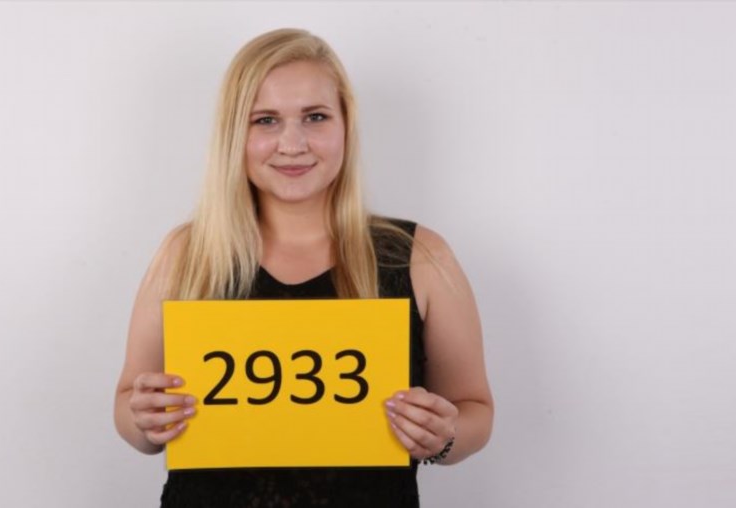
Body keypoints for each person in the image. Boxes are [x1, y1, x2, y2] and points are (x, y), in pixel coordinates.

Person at [113, 28, 494, 507]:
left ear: (346, 125)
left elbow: (475, 409)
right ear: (234, 133)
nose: (292, 143)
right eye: (265, 120)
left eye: (315, 117)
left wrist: (445, 436)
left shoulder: (420, 256)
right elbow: (129, 408)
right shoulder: (188, 254)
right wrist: (144, 420)